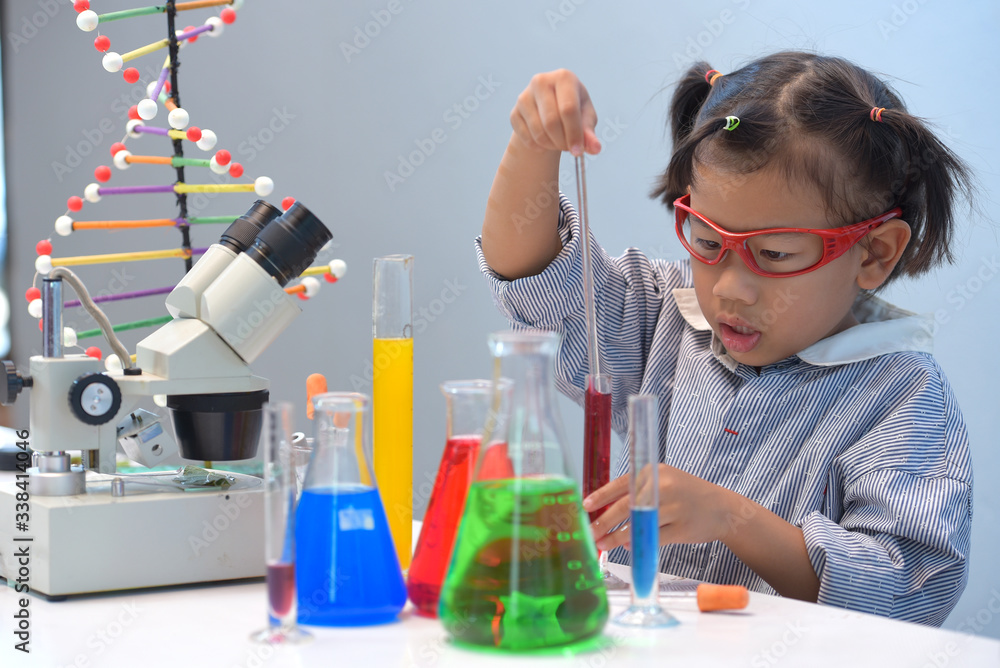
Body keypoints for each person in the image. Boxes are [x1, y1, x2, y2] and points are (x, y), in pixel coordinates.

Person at [475, 52, 974, 626]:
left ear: (875, 252)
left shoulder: (902, 393)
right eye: (708, 240)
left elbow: (909, 590)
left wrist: (732, 518)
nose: (732, 289)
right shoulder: (664, 314)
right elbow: (533, 281)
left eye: (775, 254)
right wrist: (533, 144)